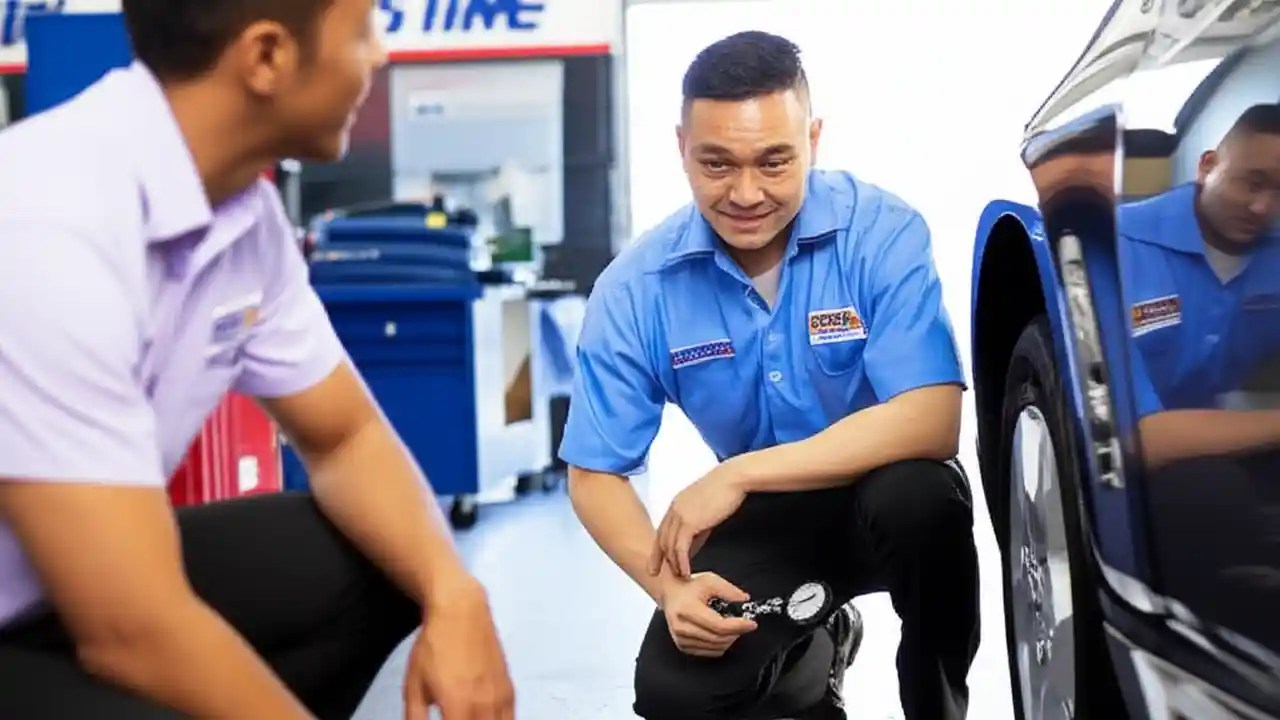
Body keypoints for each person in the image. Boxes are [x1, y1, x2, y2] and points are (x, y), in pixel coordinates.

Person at [0, 1, 514, 719]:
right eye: (362, 31)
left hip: (61, 598)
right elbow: (130, 633)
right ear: (267, 56)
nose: (380, 55)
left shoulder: (246, 216)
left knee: (378, 558)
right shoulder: (48, 225)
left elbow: (346, 437)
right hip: (59, 618)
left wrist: (454, 592)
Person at [560, 31, 980, 720]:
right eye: (717, 164)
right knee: (675, 694)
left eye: (774, 162)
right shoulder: (636, 287)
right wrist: (668, 589)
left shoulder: (881, 232)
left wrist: (738, 474)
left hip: (890, 491)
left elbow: (933, 418)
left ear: (813, 139)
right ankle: (818, 649)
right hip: (772, 521)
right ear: (681, 149)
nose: (746, 193)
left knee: (922, 501)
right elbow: (595, 472)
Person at [1116, 103, 1280, 653]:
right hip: (1130, 464)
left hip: (1223, 440)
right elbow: (1139, 439)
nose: (1264, 207)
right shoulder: (1116, 247)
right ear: (1207, 165)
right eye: (1252, 182)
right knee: (1208, 494)